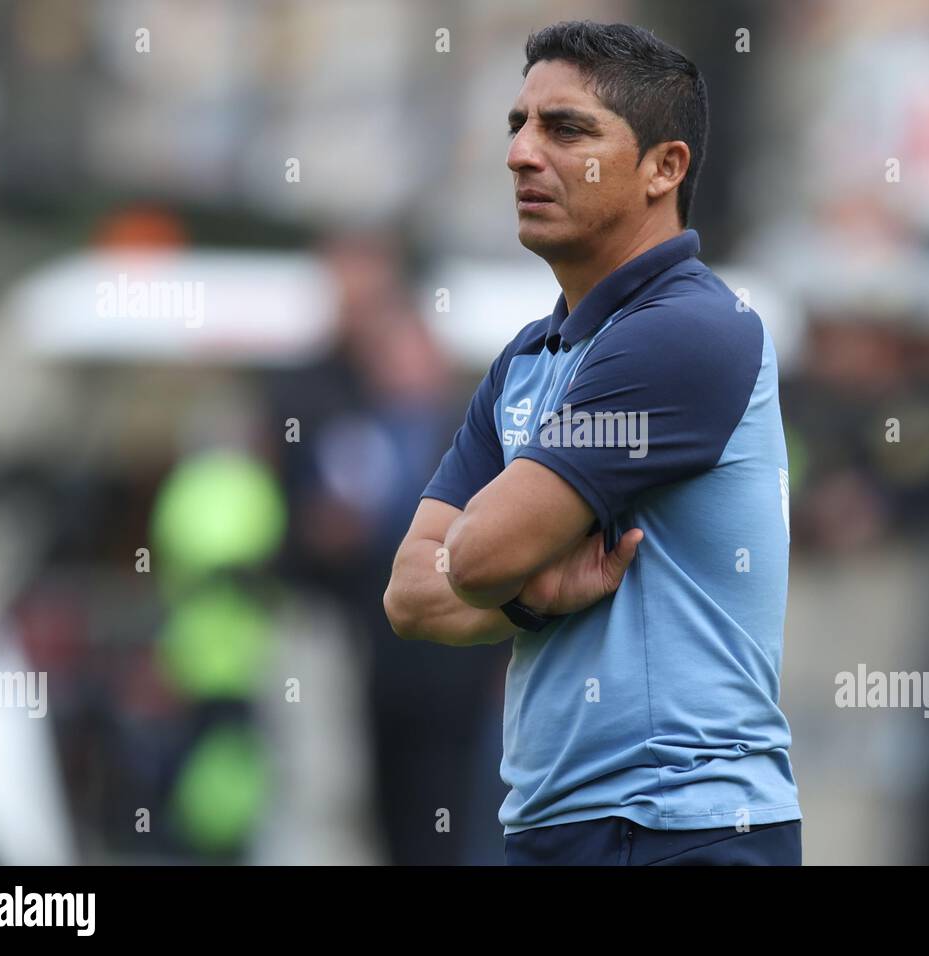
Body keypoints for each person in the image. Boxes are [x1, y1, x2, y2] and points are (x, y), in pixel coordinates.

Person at [383, 20, 801, 866]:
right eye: (518, 126)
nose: (522, 154)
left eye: (567, 129)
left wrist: (495, 563)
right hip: (555, 826)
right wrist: (532, 592)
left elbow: (472, 554)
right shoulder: (530, 356)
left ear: (663, 167)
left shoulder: (687, 330)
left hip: (686, 829)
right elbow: (407, 592)